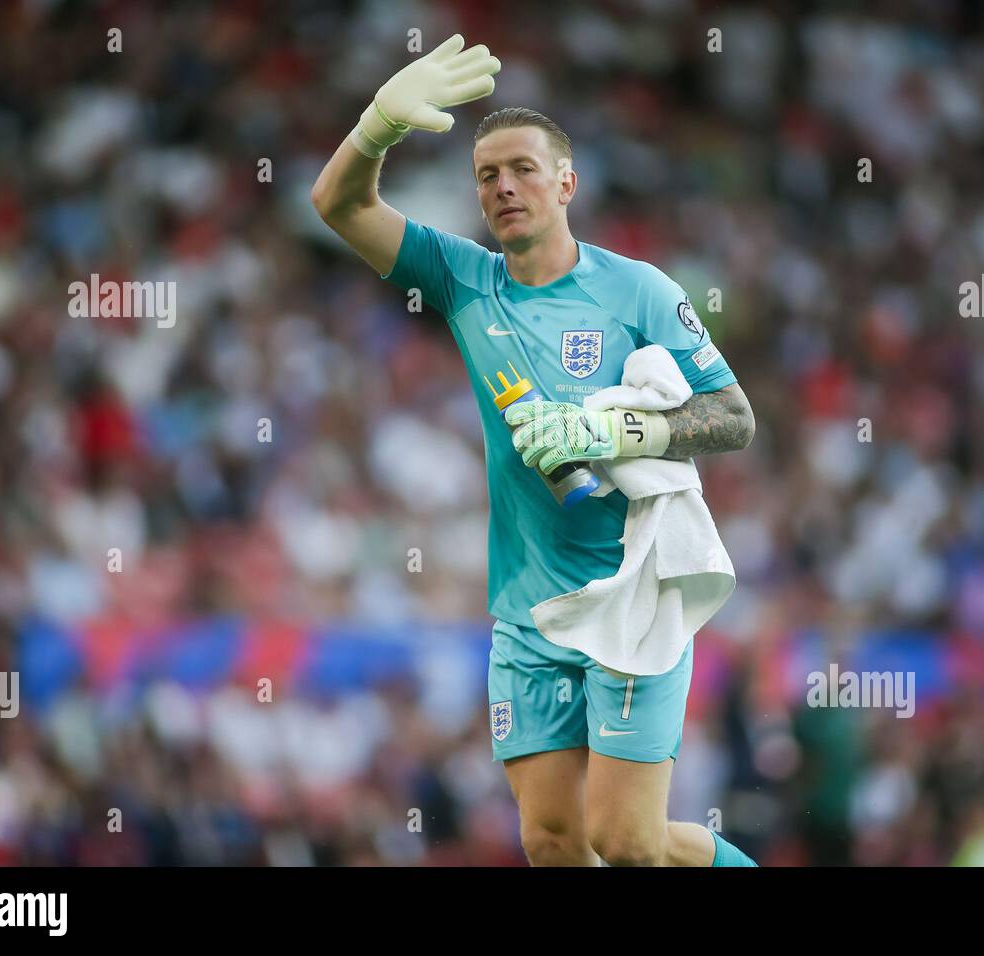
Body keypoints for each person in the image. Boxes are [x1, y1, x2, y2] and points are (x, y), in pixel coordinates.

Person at [312, 34, 757, 867]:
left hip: (632, 592)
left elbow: (733, 417)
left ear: (566, 182)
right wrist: (376, 125)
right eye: (486, 175)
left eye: (521, 168)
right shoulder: (461, 280)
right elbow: (337, 204)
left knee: (625, 842)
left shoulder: (639, 290)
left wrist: (619, 431)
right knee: (551, 844)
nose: (504, 186)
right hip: (528, 611)